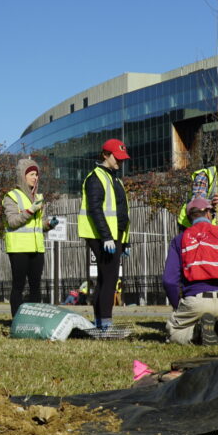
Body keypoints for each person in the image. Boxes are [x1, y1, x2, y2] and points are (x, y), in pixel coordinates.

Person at [164, 195, 218, 345]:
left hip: (196, 300)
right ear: (208, 214)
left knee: (174, 332)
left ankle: (196, 333)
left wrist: (177, 306)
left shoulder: (179, 240)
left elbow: (169, 280)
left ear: (189, 217)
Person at [77, 138, 130, 339]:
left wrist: (125, 241)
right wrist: (107, 237)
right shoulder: (95, 178)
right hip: (102, 236)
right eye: (117, 158)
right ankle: (105, 324)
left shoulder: (114, 179)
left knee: (104, 279)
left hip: (114, 237)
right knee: (109, 279)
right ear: (105, 155)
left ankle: (100, 322)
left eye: (122, 159)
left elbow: (121, 212)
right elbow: (95, 209)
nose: (120, 162)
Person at [3, 156, 62, 318]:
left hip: (37, 248)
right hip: (18, 248)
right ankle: (17, 320)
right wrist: (30, 211)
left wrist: (49, 224)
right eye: (32, 174)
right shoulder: (11, 196)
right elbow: (13, 221)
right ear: (23, 176)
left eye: (37, 175)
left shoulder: (38, 197)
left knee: (36, 286)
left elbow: (37, 225)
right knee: (18, 286)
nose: (35, 178)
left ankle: (35, 320)